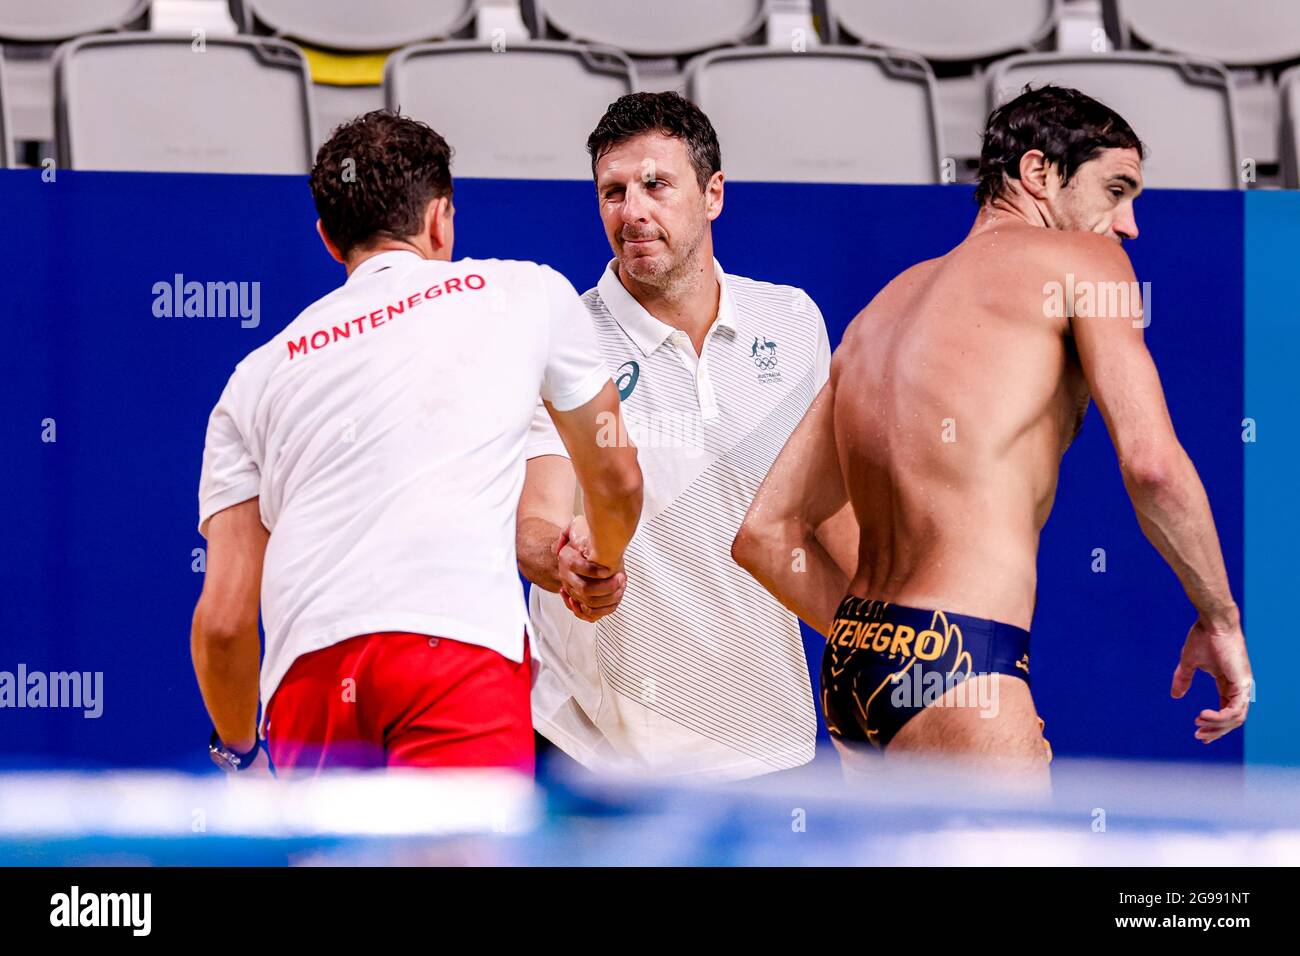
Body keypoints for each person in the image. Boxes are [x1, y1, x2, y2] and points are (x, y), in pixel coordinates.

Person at [733, 86, 1251, 782]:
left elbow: (766, 532)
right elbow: (1152, 466)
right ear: (1038, 173)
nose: (1129, 226)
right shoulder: (1086, 264)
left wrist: (896, 653)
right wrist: (1219, 618)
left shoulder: (881, 311)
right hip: (962, 658)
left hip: (852, 666)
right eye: (1116, 189)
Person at [191, 110, 642, 775]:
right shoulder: (528, 292)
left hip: (308, 683)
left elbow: (225, 623)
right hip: (455, 657)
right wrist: (598, 562)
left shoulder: (252, 378)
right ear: (440, 220)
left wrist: (240, 753)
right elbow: (618, 479)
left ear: (327, 239)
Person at [517, 92, 850, 781]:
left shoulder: (793, 321)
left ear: (713, 194)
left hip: (772, 744)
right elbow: (535, 523)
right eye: (612, 191)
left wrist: (878, 647)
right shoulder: (562, 339)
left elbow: (830, 516)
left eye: (656, 185)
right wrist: (566, 563)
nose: (631, 211)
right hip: (602, 759)